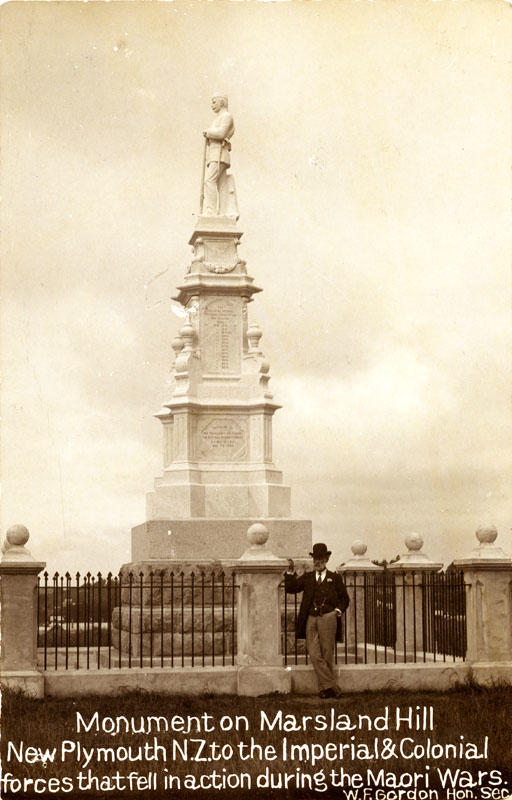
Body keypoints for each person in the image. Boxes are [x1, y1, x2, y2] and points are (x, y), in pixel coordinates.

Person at [285, 542, 349, 698]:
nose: (317, 562)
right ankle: (333, 686)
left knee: (327, 653)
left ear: (326, 559)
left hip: (328, 618)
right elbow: (291, 588)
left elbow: (345, 599)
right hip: (311, 619)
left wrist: (337, 612)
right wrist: (290, 571)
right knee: (314, 653)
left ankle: (324, 690)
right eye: (315, 559)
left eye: (320, 558)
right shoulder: (307, 578)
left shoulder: (335, 578)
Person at [202, 95, 239, 219]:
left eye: (214, 102)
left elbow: (222, 133)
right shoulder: (219, 118)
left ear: (221, 102)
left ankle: (211, 211)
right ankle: (223, 212)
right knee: (221, 184)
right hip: (215, 154)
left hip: (219, 154)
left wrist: (208, 132)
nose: (212, 105)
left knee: (209, 180)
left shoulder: (226, 116)